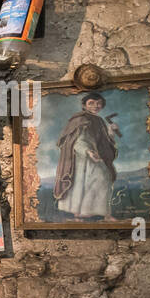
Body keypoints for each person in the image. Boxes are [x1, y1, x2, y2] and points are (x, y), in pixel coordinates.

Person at [53, 92, 117, 220]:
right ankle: (82, 213)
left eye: (99, 103)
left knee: (100, 180)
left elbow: (102, 141)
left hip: (95, 156)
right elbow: (77, 141)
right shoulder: (80, 119)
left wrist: (110, 132)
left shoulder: (98, 120)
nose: (95, 106)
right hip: (81, 158)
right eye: (91, 103)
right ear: (84, 105)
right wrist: (88, 151)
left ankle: (97, 213)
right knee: (87, 182)